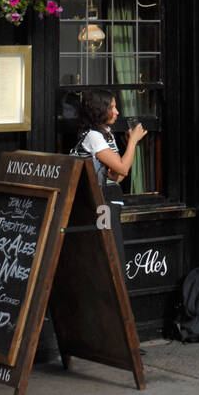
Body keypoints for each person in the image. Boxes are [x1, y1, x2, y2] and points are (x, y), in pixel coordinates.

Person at [75, 88, 148, 271]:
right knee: (109, 253)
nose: (117, 112)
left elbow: (119, 175)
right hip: (100, 205)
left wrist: (130, 146)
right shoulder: (94, 137)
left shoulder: (107, 135)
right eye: (112, 107)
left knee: (112, 252)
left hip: (109, 202)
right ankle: (112, 296)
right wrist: (132, 142)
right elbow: (122, 167)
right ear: (101, 109)